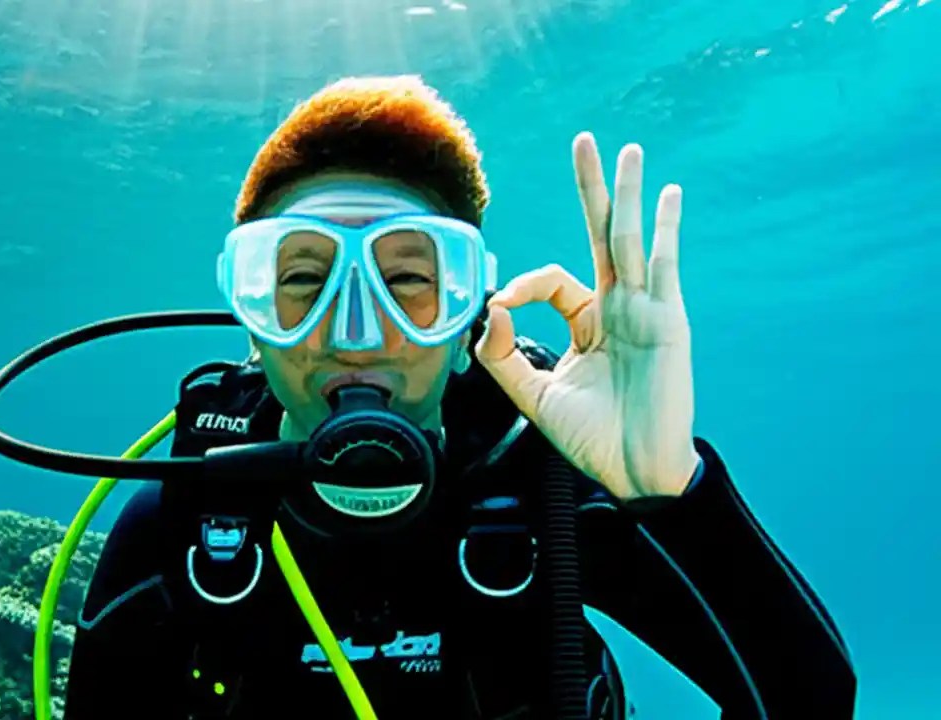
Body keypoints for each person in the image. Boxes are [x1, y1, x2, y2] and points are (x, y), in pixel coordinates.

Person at [60, 75, 856, 719]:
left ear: (468, 309)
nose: (357, 334)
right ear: (251, 317)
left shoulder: (547, 479)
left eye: (408, 280)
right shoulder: (190, 525)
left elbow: (809, 701)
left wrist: (669, 490)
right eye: (303, 281)